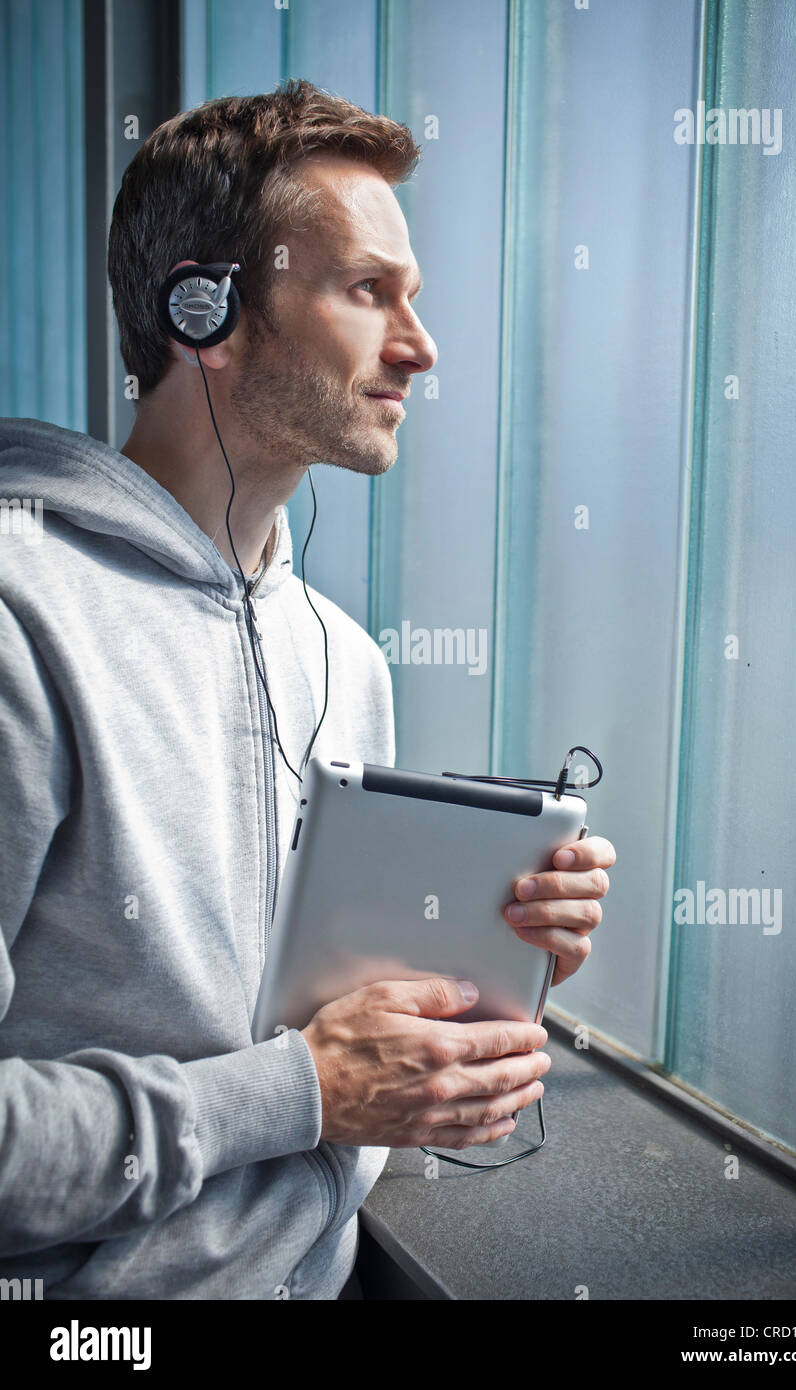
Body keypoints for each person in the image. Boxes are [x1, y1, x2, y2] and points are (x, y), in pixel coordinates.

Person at [0, 80, 615, 1300]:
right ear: (204, 311)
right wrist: (304, 1090)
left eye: (413, 298)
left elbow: (315, 1049)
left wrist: (476, 985)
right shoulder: (22, 618)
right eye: (366, 291)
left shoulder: (342, 655)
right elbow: (295, 1082)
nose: (420, 347)